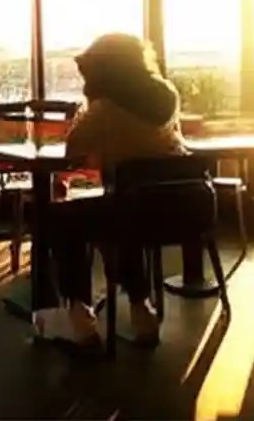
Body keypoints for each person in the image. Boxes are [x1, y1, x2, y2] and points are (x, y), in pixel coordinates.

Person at [52, 33, 187, 347]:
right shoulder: (168, 95)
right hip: (178, 204)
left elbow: (73, 154)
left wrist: (83, 117)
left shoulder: (104, 112)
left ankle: (80, 315)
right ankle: (142, 310)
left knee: (65, 208)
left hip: (128, 207)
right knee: (121, 204)